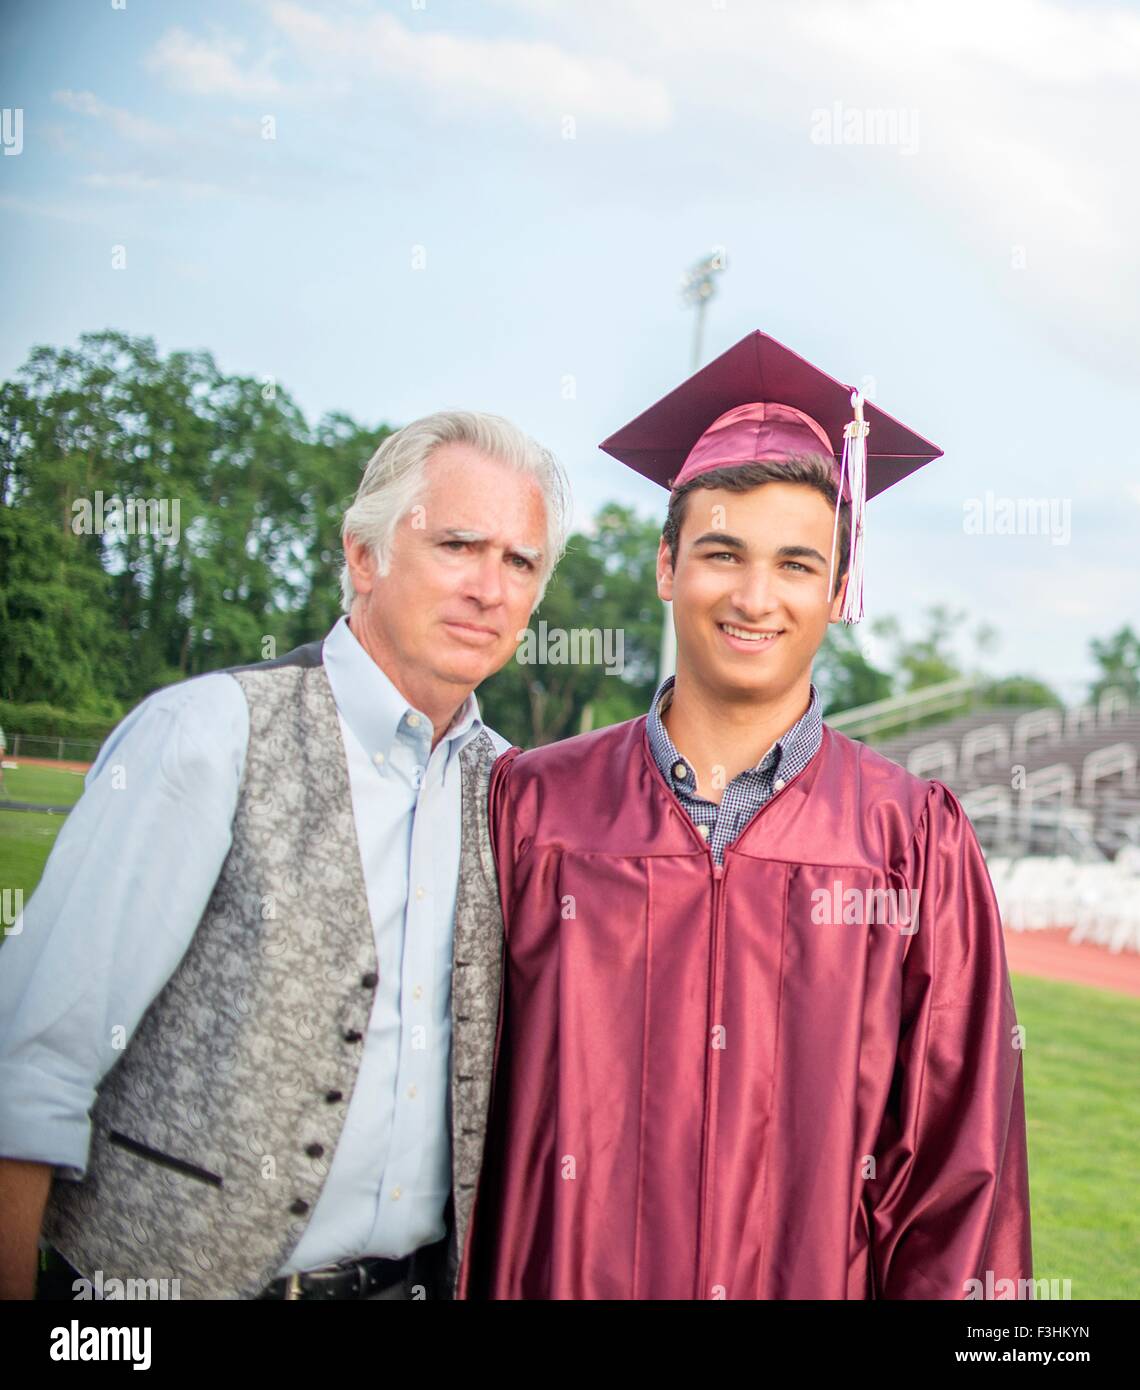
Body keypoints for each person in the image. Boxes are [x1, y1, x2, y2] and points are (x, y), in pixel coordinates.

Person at [461, 330, 1032, 1300]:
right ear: (665, 564)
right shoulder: (531, 808)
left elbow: (959, 1176)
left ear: (838, 587)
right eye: (723, 552)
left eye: (798, 564)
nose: (756, 597)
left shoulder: (909, 844)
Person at [0, 409, 571, 1301]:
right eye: (459, 544)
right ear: (363, 556)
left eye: (520, 561)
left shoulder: (516, 792)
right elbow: (29, 1064)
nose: (490, 589)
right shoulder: (209, 735)